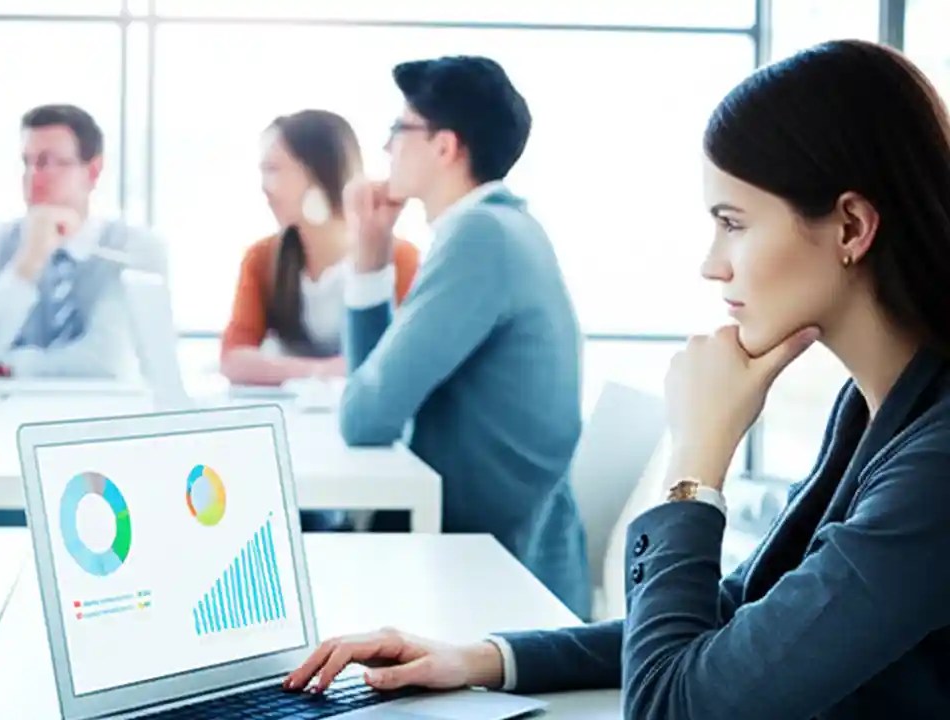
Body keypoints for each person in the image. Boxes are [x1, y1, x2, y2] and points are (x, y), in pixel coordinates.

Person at [287, 40, 950, 719]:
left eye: (732, 223)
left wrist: (696, 464)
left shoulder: (935, 464)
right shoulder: (875, 406)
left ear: (851, 226)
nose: (712, 265)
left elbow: (672, 708)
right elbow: (744, 618)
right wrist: (485, 657)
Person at [334, 56, 589, 616]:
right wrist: (372, 258)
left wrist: (364, 263)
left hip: (487, 572)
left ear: (445, 147)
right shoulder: (506, 224)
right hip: (496, 548)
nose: (386, 149)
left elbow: (364, 417)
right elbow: (373, 403)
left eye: (399, 130)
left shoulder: (478, 236)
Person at [0, 104, 168, 379]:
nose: (33, 176)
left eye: (48, 162)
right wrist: (27, 263)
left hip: (101, 413)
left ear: (93, 171)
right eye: (27, 162)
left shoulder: (135, 249)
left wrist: (9, 367)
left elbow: (107, 360)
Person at [221, 109, 420, 386]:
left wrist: (278, 367)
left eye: (273, 170)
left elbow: (403, 360)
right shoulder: (262, 258)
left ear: (317, 172)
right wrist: (328, 370)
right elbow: (234, 359)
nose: (264, 188)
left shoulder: (398, 259)